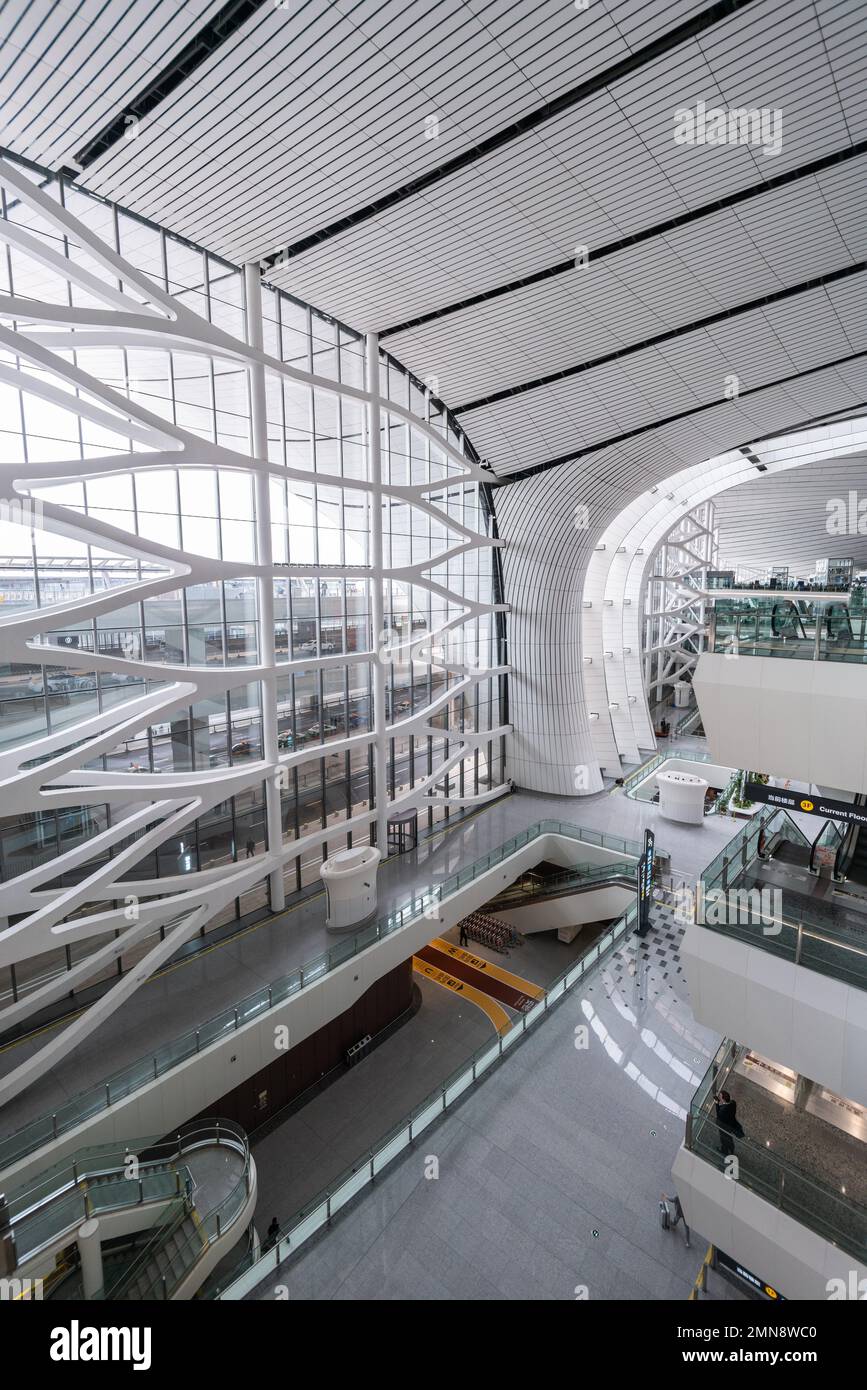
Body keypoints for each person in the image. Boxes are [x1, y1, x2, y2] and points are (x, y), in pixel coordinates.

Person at [714, 1089, 742, 1156]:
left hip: (724, 1126)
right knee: (729, 1137)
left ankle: (724, 1151)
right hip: (731, 1124)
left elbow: (719, 1116)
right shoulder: (733, 1102)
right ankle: (731, 1148)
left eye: (720, 1096)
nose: (719, 1097)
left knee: (723, 1138)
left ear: (723, 1099)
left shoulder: (723, 1110)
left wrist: (717, 1104)